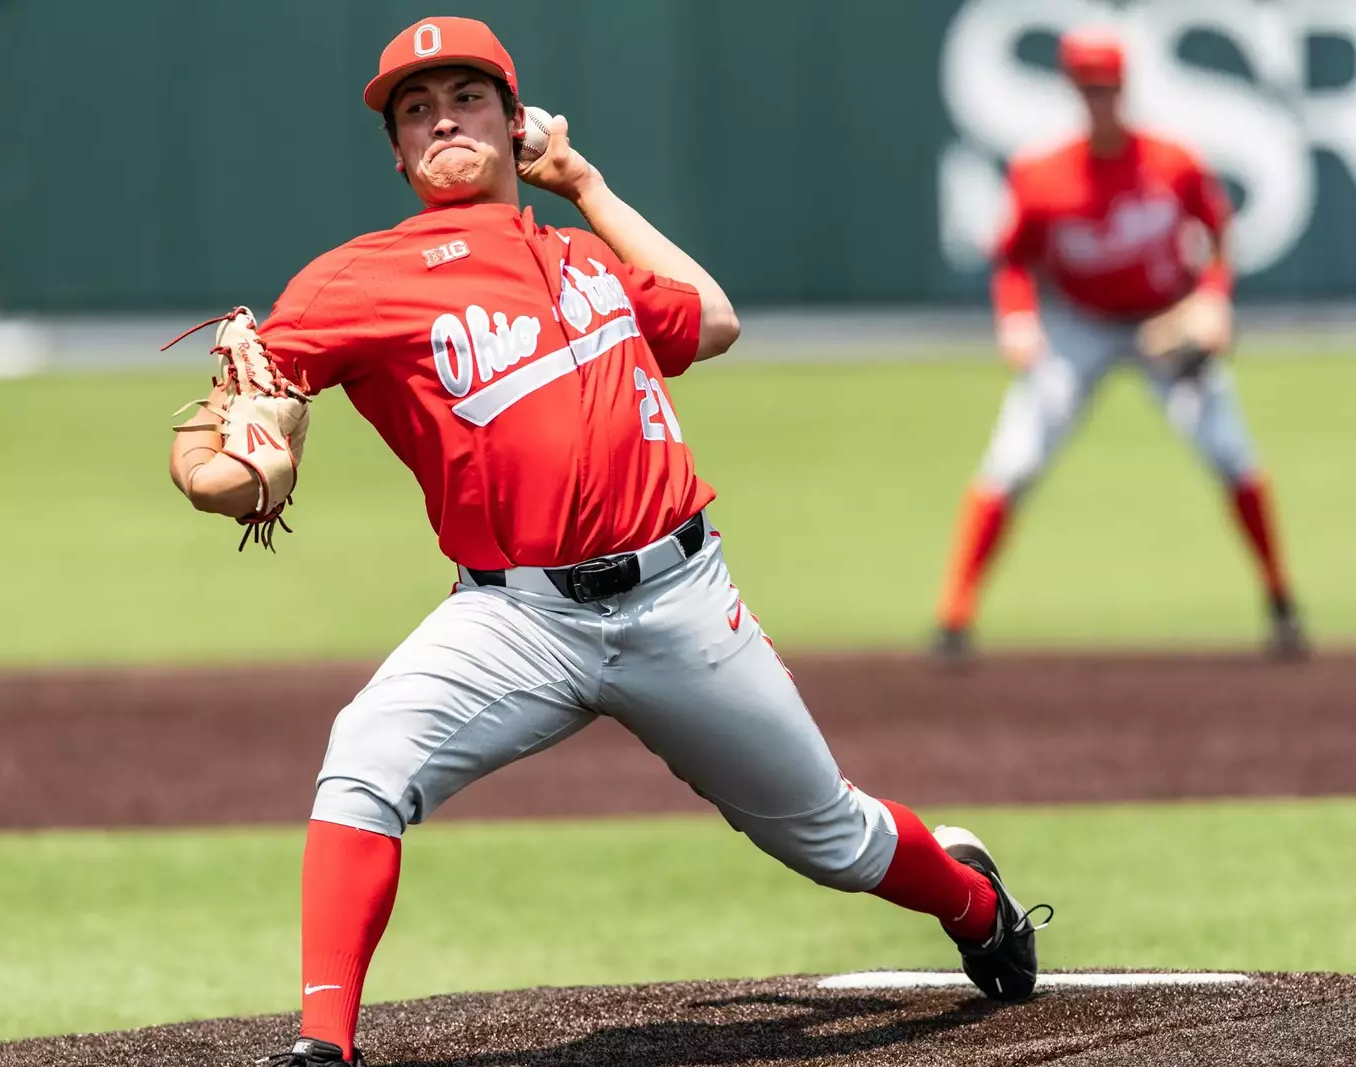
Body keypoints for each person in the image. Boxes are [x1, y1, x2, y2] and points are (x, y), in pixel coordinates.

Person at [168, 18, 1049, 1067]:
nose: (441, 115)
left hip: (679, 599)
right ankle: (323, 1044)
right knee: (362, 760)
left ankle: (972, 902)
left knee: (832, 835)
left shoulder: (584, 255)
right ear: (398, 156)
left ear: (513, 118)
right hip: (512, 616)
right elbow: (219, 431)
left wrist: (582, 183)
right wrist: (222, 477)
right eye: (415, 108)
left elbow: (712, 320)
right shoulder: (355, 280)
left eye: (466, 95)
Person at [931, 28, 1307, 666]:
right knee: (1015, 459)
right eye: (1087, 87)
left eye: (1107, 87)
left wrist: (1214, 299)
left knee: (1231, 454)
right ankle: (953, 618)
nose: (1098, 98)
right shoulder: (1040, 173)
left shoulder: (1172, 162)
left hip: (1168, 321)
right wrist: (1018, 318)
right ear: (1072, 91)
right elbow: (1013, 260)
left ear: (1123, 89)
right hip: (1079, 325)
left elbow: (1217, 232)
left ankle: (1280, 603)